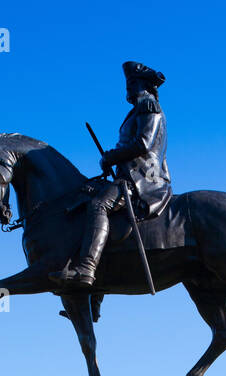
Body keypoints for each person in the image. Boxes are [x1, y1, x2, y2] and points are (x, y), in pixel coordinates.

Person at [50, 61, 171, 289]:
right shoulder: (137, 109)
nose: (128, 88)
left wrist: (112, 157)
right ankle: (96, 293)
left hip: (145, 179)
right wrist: (112, 162)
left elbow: (143, 144)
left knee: (99, 206)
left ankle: (86, 268)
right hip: (131, 175)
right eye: (128, 83)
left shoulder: (148, 105)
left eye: (132, 83)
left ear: (143, 84)